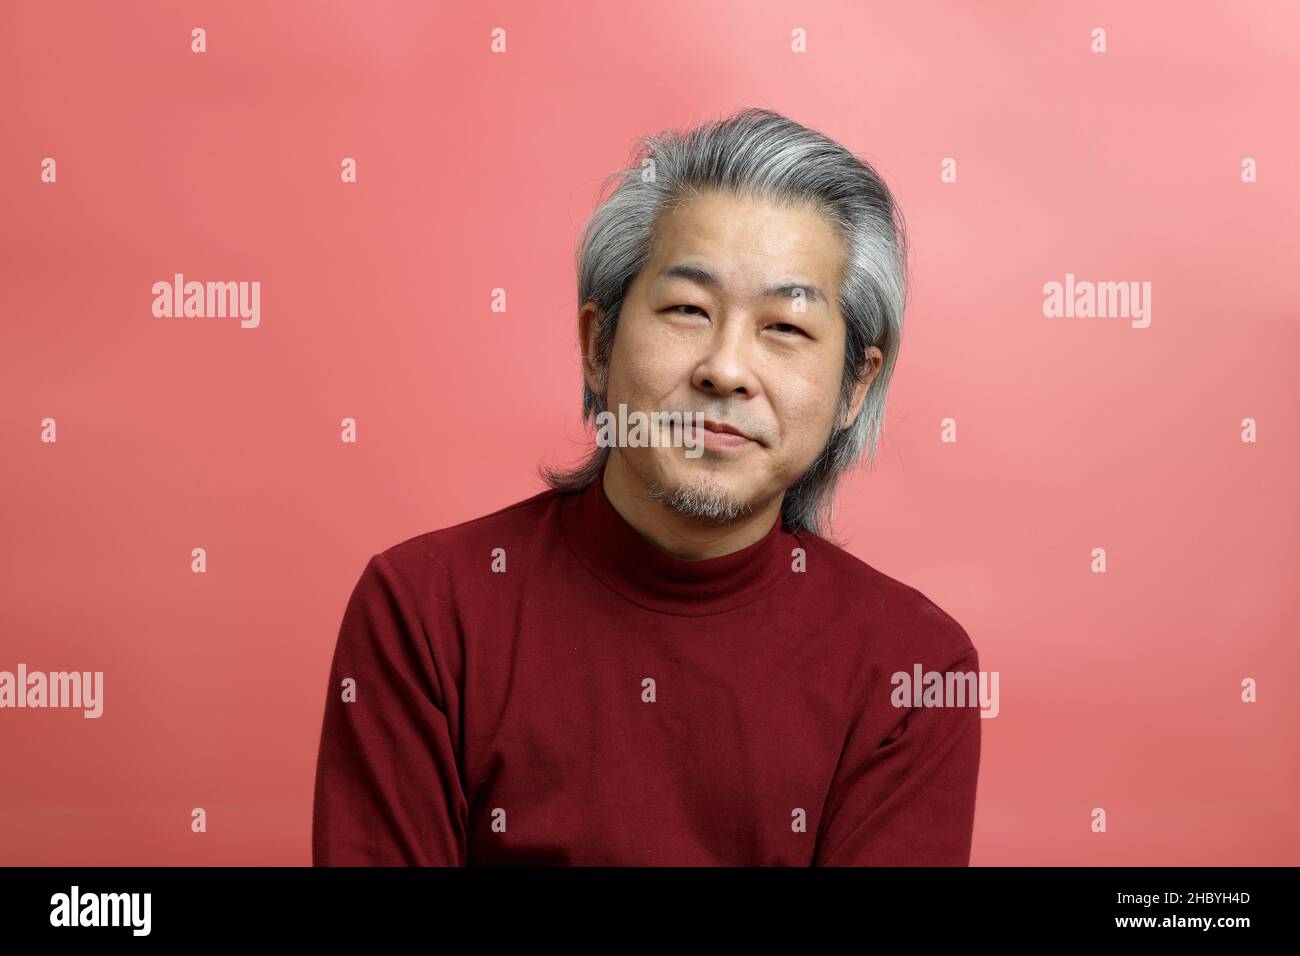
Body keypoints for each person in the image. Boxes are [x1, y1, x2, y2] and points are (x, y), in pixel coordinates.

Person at [311, 108, 981, 866]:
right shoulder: (427, 606)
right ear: (598, 344)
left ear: (854, 388)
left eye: (785, 328)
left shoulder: (915, 668)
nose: (725, 369)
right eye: (688, 311)